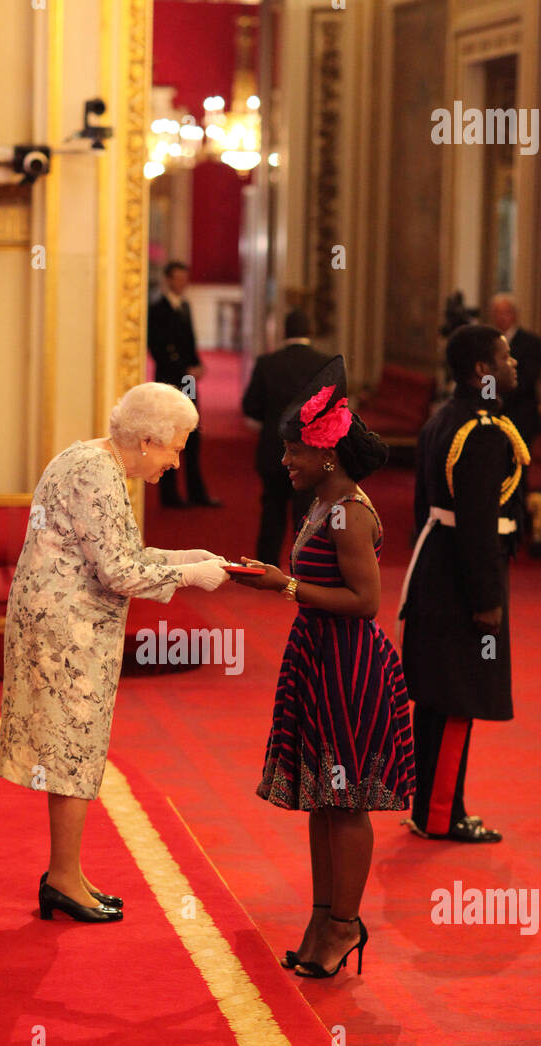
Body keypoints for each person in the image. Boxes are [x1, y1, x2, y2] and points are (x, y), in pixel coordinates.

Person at [0, 382, 229, 922]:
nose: (178, 461)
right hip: (66, 632)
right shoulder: (98, 473)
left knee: (72, 748)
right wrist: (191, 575)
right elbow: (119, 571)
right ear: (147, 440)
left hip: (65, 624)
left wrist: (185, 555)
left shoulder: (95, 459)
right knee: (74, 749)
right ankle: (62, 879)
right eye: (176, 446)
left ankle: (67, 873)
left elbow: (119, 550)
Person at [232, 357, 416, 980]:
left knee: (347, 799)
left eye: (293, 454)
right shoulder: (322, 502)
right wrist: (277, 584)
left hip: (348, 664)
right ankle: (322, 917)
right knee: (322, 798)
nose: (285, 462)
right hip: (318, 655)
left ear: (326, 455)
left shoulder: (350, 514)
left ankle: (344, 924)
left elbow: (367, 604)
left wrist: (285, 587)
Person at [399, 323, 530, 843]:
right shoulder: (483, 432)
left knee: (435, 695)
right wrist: (487, 599)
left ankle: (434, 807)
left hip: (435, 564)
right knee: (459, 697)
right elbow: (477, 523)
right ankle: (440, 815)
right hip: (463, 577)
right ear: (482, 371)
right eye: (505, 357)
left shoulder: (443, 420)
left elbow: (421, 507)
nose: (513, 364)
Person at [241, 309, 330, 564]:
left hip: (273, 449)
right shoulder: (324, 363)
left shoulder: (267, 363)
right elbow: (333, 410)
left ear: (284, 332)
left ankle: (265, 564)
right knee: (307, 513)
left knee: (272, 508)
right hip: (310, 453)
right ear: (310, 332)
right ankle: (304, 566)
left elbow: (250, 406)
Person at [147, 260, 221, 508]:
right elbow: (157, 349)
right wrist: (183, 368)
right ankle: (170, 496)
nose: (182, 283)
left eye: (184, 278)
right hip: (169, 380)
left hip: (188, 380)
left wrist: (197, 365)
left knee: (192, 433)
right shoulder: (157, 309)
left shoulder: (186, 306)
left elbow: (190, 342)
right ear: (168, 280)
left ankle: (196, 492)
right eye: (177, 278)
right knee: (169, 436)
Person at [489, 293, 541, 447]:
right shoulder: (488, 342)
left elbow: (529, 378)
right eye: (498, 313)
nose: (501, 317)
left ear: (514, 315)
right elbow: (486, 375)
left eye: (505, 312)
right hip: (494, 416)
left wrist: (501, 397)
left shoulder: (531, 342)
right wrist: (489, 400)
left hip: (521, 415)